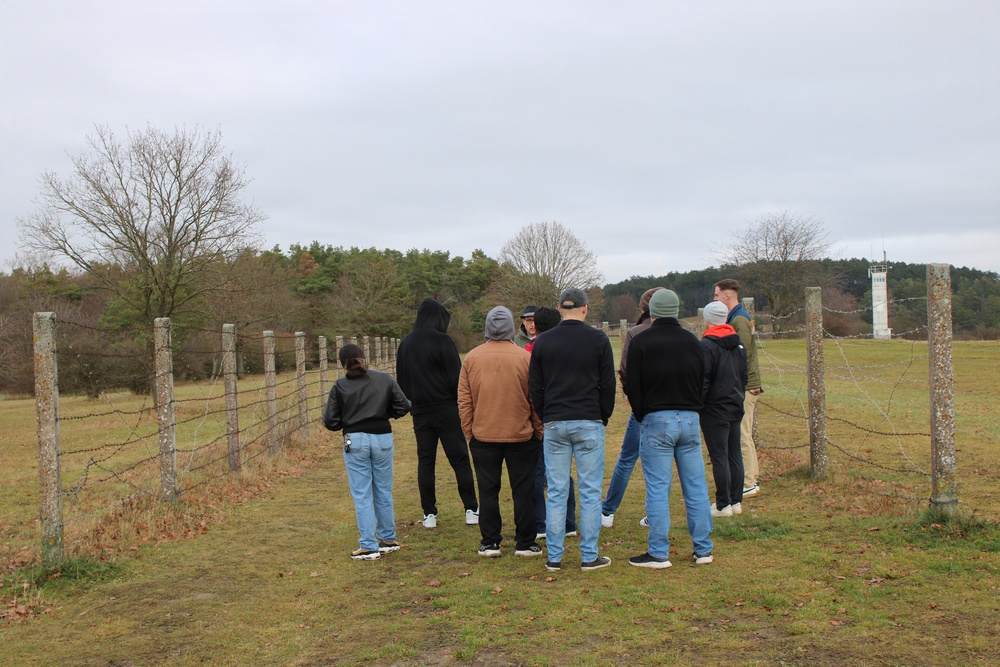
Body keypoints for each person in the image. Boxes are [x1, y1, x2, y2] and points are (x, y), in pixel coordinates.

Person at [624, 289, 713, 568]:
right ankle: (703, 549)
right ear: (676, 310)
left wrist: (641, 412)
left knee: (658, 487)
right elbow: (702, 380)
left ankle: (659, 552)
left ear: (652, 311)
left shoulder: (642, 341)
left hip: (656, 418)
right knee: (696, 486)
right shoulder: (693, 341)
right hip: (688, 418)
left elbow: (632, 383)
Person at [529, 288, 616, 572]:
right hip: (588, 419)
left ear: (560, 308)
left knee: (556, 490)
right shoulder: (598, 339)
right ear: (585, 309)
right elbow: (608, 384)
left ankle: (554, 556)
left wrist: (546, 415)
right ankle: (588, 555)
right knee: (590, 492)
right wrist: (602, 415)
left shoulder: (543, 342)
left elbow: (535, 386)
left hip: (555, 422)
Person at [458, 306, 544, 558]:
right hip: (521, 435)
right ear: (510, 327)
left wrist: (469, 431)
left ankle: (490, 541)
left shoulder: (471, 358)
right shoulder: (524, 358)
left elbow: (464, 401)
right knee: (524, 490)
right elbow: (535, 399)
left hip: (483, 435)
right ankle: (525, 542)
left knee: (487, 490)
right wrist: (538, 430)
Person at [322, 344, 411, 560]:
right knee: (383, 489)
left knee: (362, 493)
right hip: (382, 437)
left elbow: (330, 420)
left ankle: (369, 545)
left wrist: (348, 421)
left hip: (356, 439)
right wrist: (384, 413)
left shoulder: (340, 386)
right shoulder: (384, 379)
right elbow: (404, 405)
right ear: (364, 357)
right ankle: (388, 538)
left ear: (342, 363)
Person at [396, 298, 479, 528]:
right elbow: (457, 379)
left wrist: (411, 403)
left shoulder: (406, 343)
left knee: (426, 461)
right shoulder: (443, 341)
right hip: (446, 408)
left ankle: (429, 514)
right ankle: (471, 508)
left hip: (420, 411)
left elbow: (401, 380)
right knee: (460, 458)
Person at [601, 287, 665, 528]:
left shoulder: (636, 333)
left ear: (643, 308)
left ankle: (607, 510)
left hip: (643, 406)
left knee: (628, 458)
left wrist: (635, 400)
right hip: (671, 407)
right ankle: (654, 514)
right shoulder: (681, 333)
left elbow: (625, 371)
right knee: (660, 463)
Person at [527, 306, 577, 539]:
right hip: (565, 413)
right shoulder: (569, 348)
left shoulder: (530, 350)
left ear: (534, 326)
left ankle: (540, 523)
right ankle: (568, 522)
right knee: (562, 472)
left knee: (539, 472)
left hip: (541, 418)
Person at [714, 279, 763, 498]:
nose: (714, 299)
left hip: (744, 385)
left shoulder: (740, 320)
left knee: (743, 434)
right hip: (742, 384)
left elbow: (743, 354)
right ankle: (748, 478)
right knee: (743, 432)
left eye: (716, 295)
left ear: (727, 295)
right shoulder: (736, 318)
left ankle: (749, 482)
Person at [699, 300, 748, 518]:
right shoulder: (738, 345)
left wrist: (700, 402)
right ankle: (736, 500)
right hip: (735, 402)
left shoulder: (707, 345)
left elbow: (704, 379)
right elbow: (743, 375)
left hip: (714, 407)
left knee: (720, 455)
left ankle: (723, 503)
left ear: (707, 320)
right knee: (734, 453)